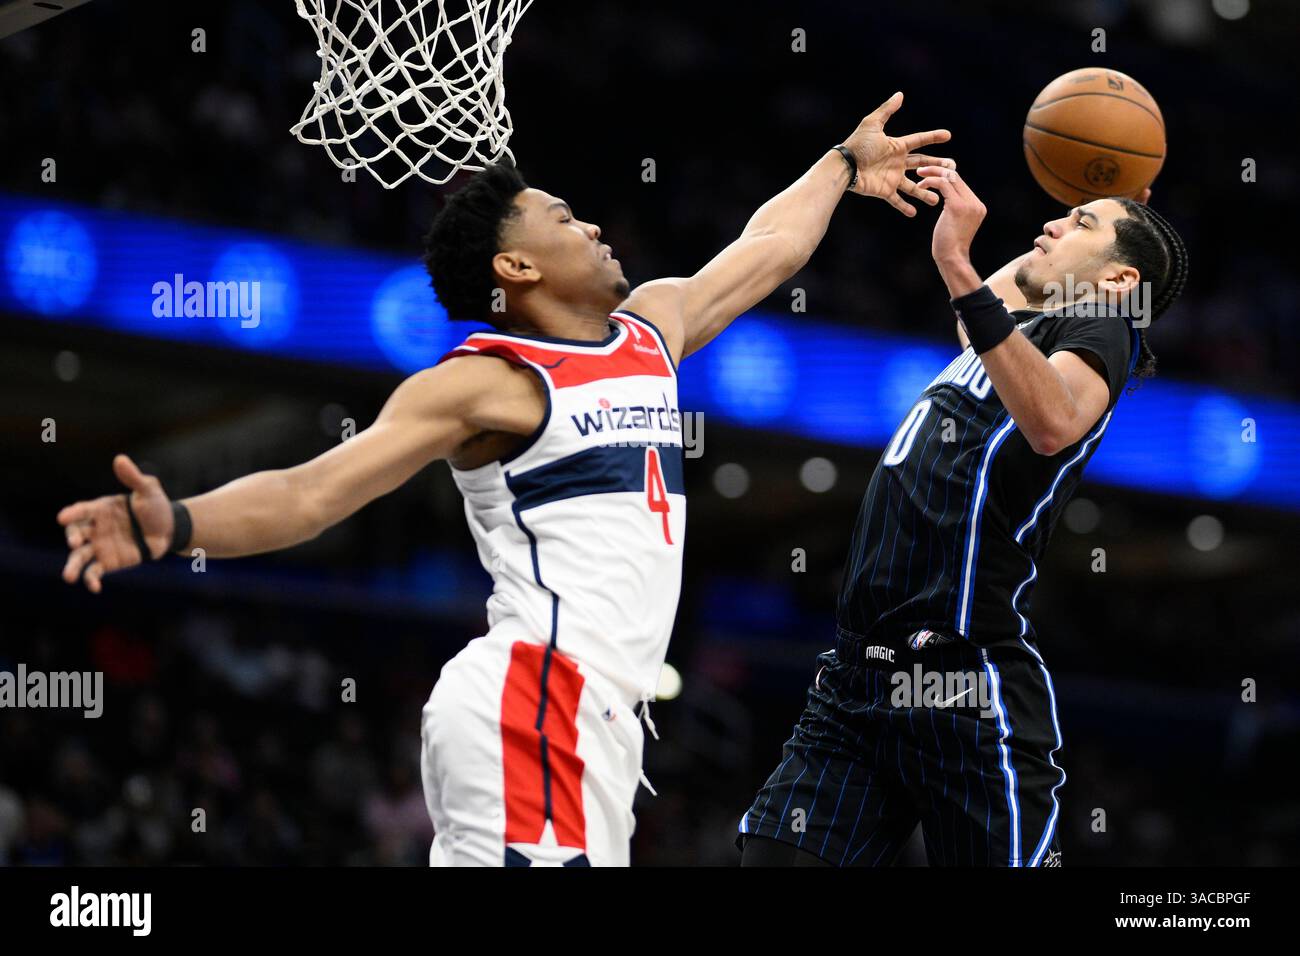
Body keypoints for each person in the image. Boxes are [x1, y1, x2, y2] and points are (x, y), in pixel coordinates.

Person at [57, 94, 952, 866]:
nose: (596, 226)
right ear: (515, 269)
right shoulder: (487, 380)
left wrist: (843, 163)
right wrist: (170, 524)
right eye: (565, 219)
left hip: (593, 731)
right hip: (535, 700)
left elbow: (770, 248)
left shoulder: (651, 331)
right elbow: (313, 492)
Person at [738, 170, 1188, 867]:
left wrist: (956, 262)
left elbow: (1053, 422)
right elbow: (994, 302)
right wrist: (1080, 212)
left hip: (964, 678)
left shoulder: (1105, 325)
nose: (1053, 225)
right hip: (858, 676)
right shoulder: (1015, 337)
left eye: (1081, 224)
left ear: (1122, 280)